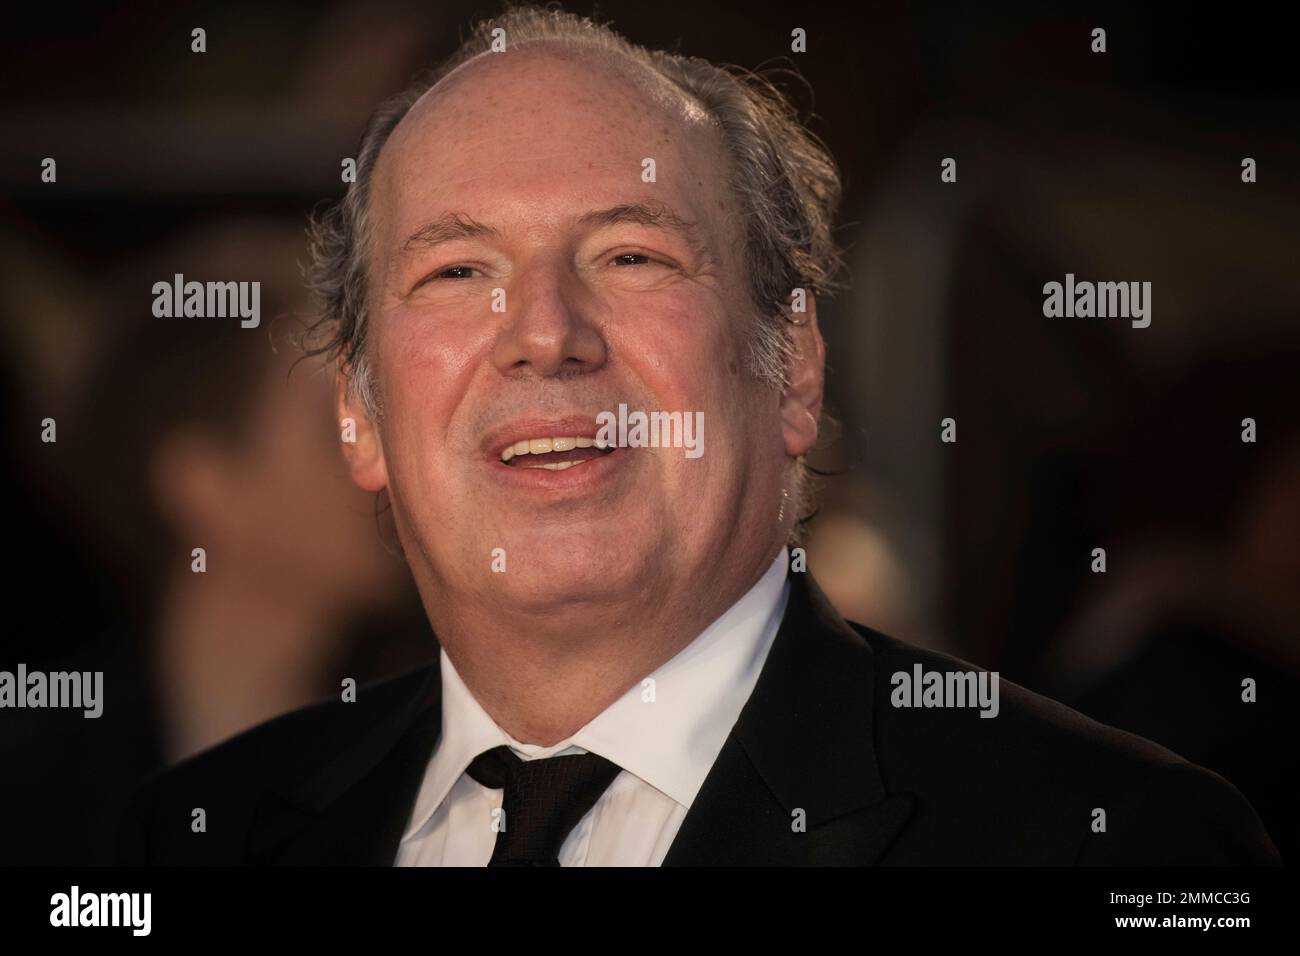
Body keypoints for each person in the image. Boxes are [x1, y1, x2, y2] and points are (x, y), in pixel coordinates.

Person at [117, 6, 1279, 866]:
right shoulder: (185, 843)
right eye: (458, 270)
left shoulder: (1120, 847)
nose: (544, 334)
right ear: (359, 416)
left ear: (794, 371)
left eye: (631, 256)